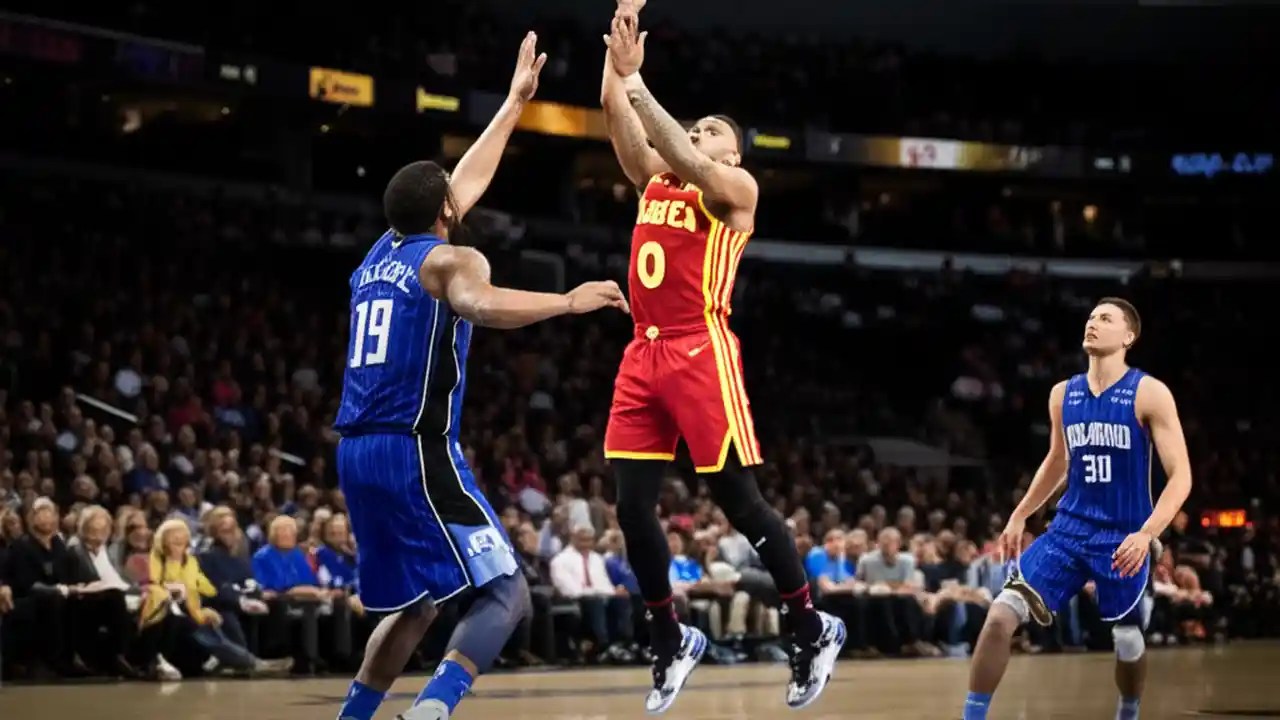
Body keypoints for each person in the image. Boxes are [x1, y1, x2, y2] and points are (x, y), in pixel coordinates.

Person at [331, 32, 629, 720]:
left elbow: (459, 182)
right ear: (448, 215)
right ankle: (433, 710)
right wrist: (567, 300)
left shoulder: (383, 251)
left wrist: (515, 102)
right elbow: (479, 305)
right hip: (415, 447)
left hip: (357, 450)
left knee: (417, 606)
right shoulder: (451, 261)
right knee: (506, 593)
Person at [599, 3, 844, 712]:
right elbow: (623, 124)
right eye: (698, 124)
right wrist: (616, 62)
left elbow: (678, 147)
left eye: (712, 130)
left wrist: (640, 87)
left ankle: (806, 628)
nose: (699, 132)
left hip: (699, 350)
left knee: (739, 500)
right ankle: (669, 637)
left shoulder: (735, 189)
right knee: (631, 509)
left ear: (731, 154)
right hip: (641, 355)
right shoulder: (655, 182)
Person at [962, 298, 1193, 720]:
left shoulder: (1148, 392)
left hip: (1123, 537)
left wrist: (1147, 534)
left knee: (1127, 641)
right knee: (998, 617)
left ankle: (1128, 710)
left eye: (1105, 319)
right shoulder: (1062, 394)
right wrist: (1019, 515)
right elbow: (1058, 462)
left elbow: (1181, 476)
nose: (1092, 323)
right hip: (1066, 532)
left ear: (1128, 337)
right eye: (1090, 317)